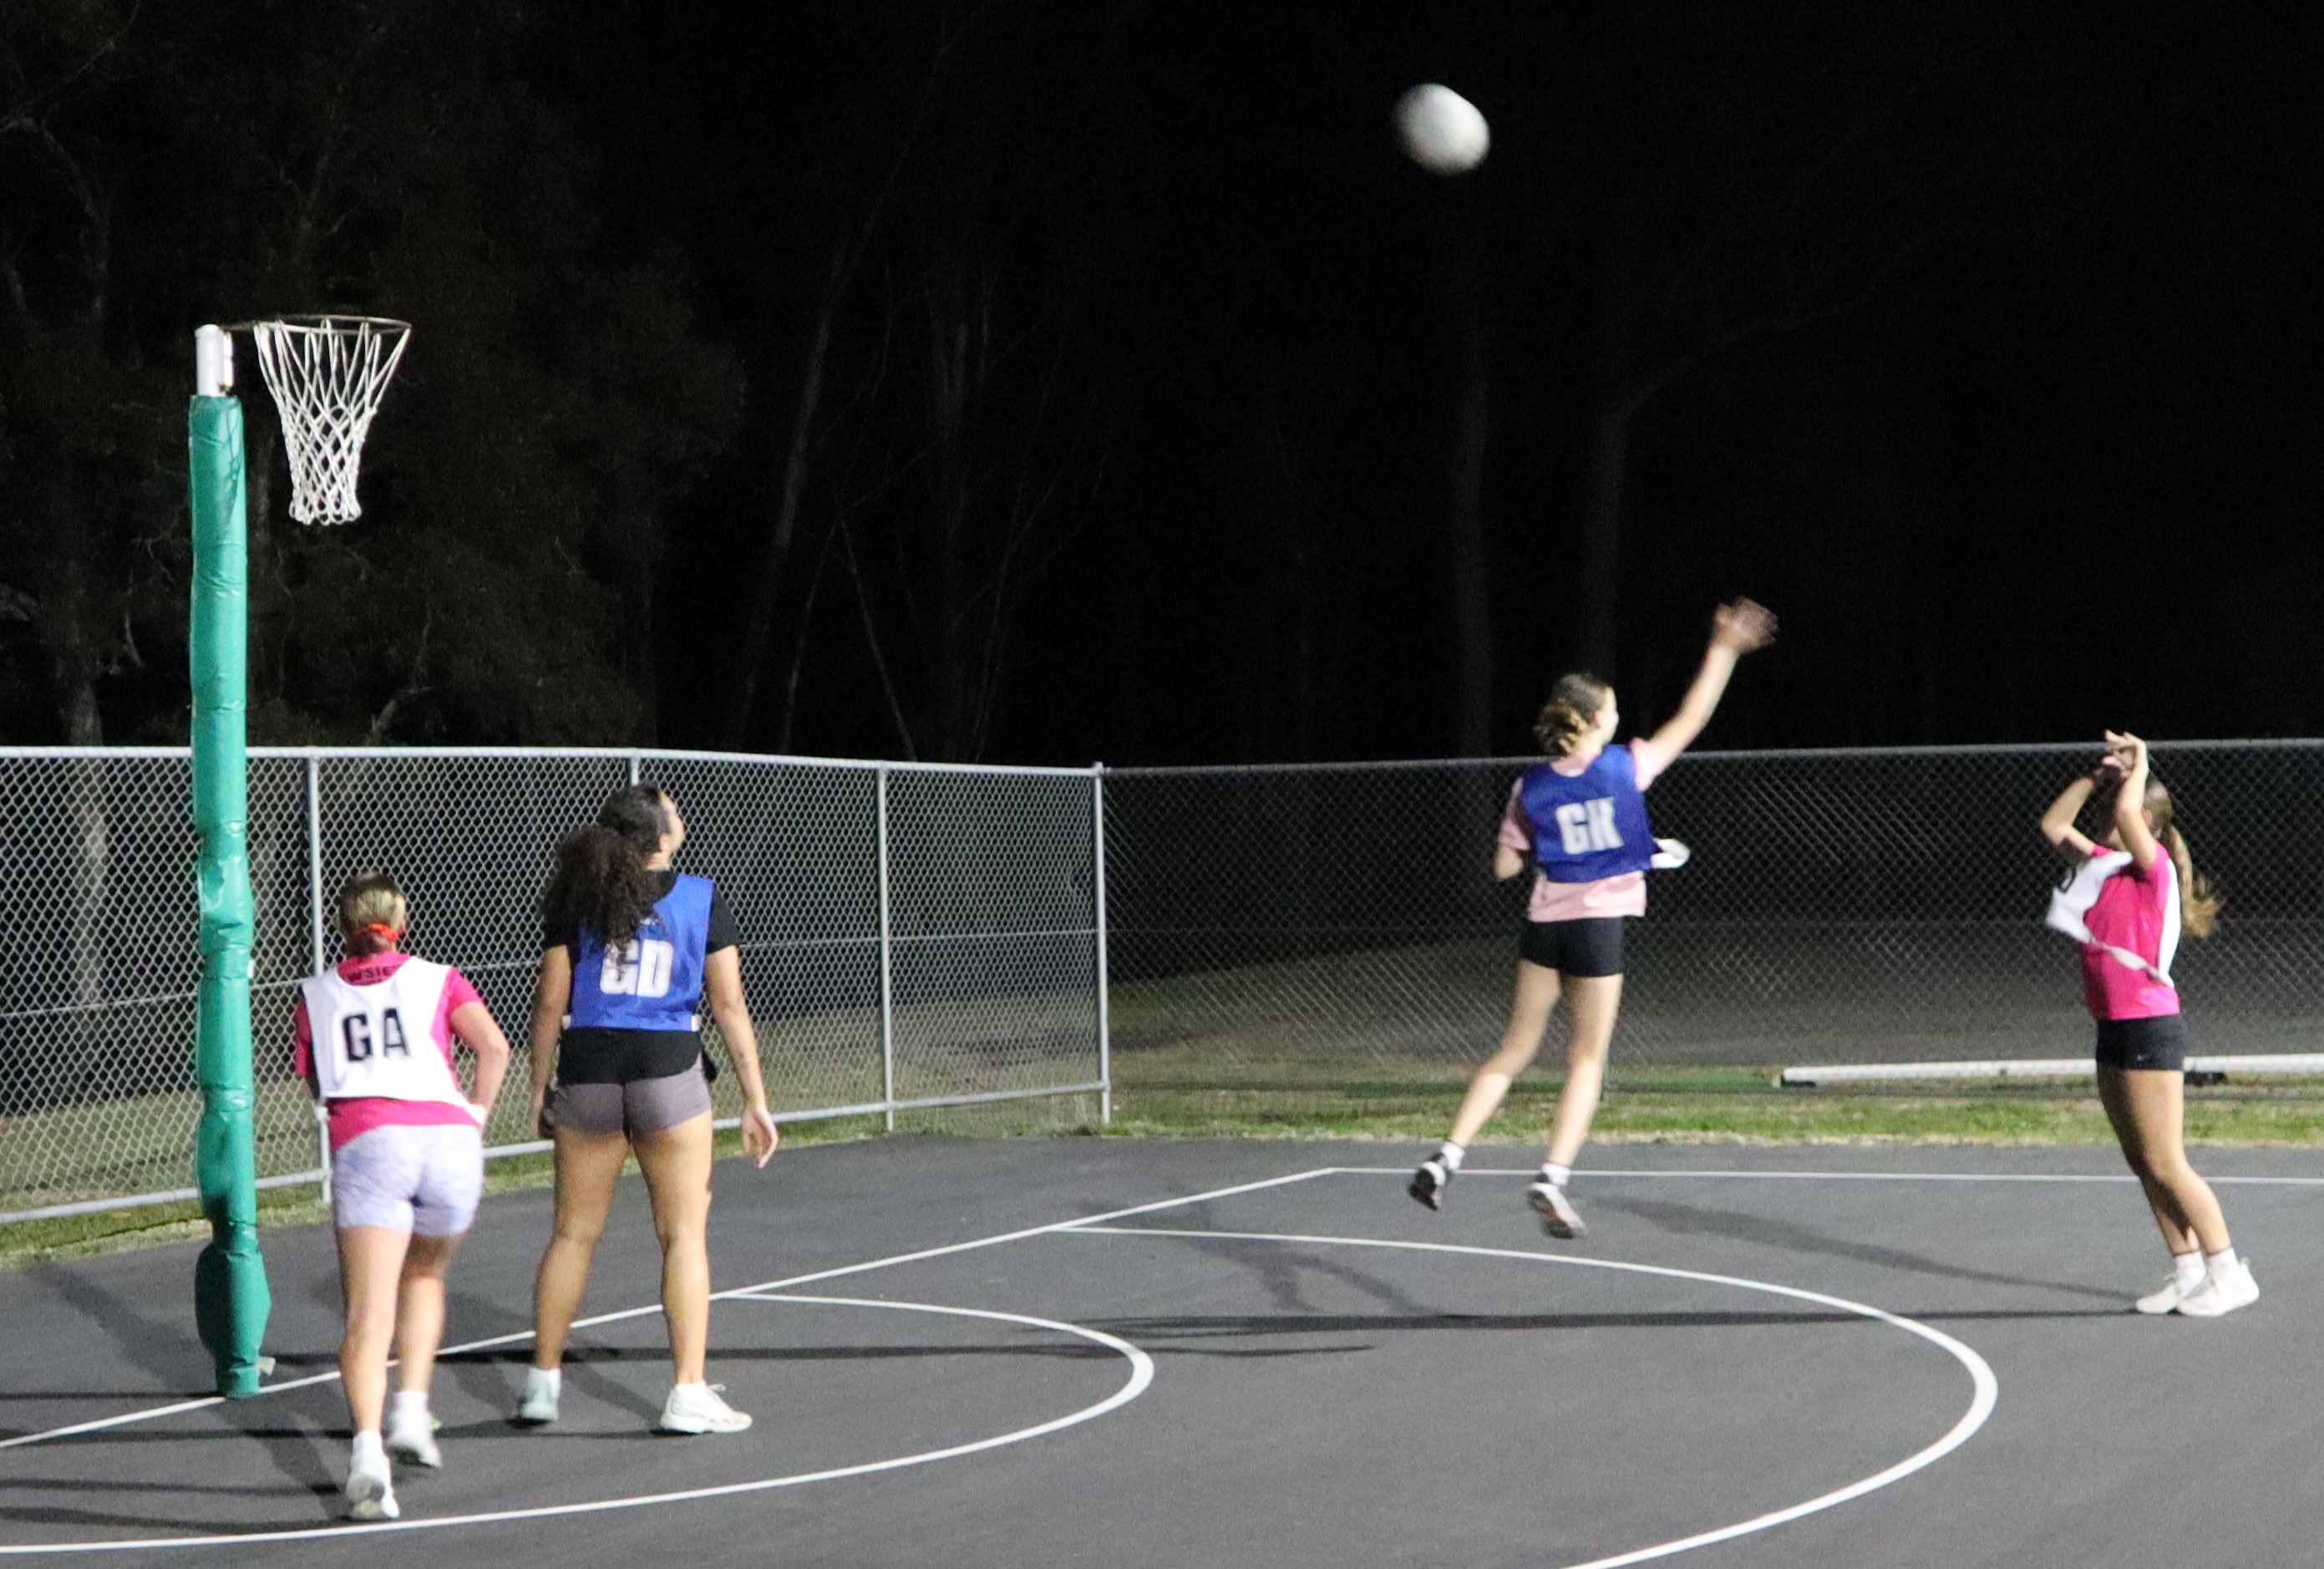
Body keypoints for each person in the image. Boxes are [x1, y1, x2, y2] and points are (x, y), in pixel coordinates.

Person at [1409, 599, 1777, 1236]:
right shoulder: (1625, 767)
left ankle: (1446, 1158)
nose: (1618, 715)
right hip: (1597, 926)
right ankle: (1552, 1176)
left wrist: (1528, 848)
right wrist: (1723, 649)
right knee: (1586, 1058)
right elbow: (1693, 716)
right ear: (1588, 721)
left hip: (1544, 923)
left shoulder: (1530, 788)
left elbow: (1503, 868)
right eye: (1609, 708)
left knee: (1514, 1050)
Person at [519, 784, 780, 1435]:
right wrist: (756, 1099)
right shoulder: (698, 896)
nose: (683, 816)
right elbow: (729, 1008)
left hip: (590, 1066)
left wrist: (538, 1086)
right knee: (684, 1234)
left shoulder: (578, 900)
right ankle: (687, 1389)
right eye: (676, 811)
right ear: (659, 837)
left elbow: (550, 1003)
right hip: (667, 1067)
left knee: (573, 1232)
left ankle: (542, 1382)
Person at [295, 870, 511, 1521]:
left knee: (367, 1315)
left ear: (344, 925)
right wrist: (474, 1113)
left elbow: (316, 1081)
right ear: (401, 922)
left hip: (370, 1142)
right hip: (447, 1141)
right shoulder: (439, 977)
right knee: (426, 1277)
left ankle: (368, 1457)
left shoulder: (315, 994)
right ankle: (412, 1409)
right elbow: (493, 1046)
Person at [2041, 731, 2255, 1317]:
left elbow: (2135, 811)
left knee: (2167, 1160)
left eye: (2121, 811)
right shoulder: (2103, 867)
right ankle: (2188, 1270)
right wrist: (2097, 777)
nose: (2114, 816)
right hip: (2112, 1026)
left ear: (2150, 826)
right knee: (2139, 1158)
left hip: (2148, 1027)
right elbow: (2054, 828)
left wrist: (2141, 765)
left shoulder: (2152, 868)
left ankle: (2228, 1270)